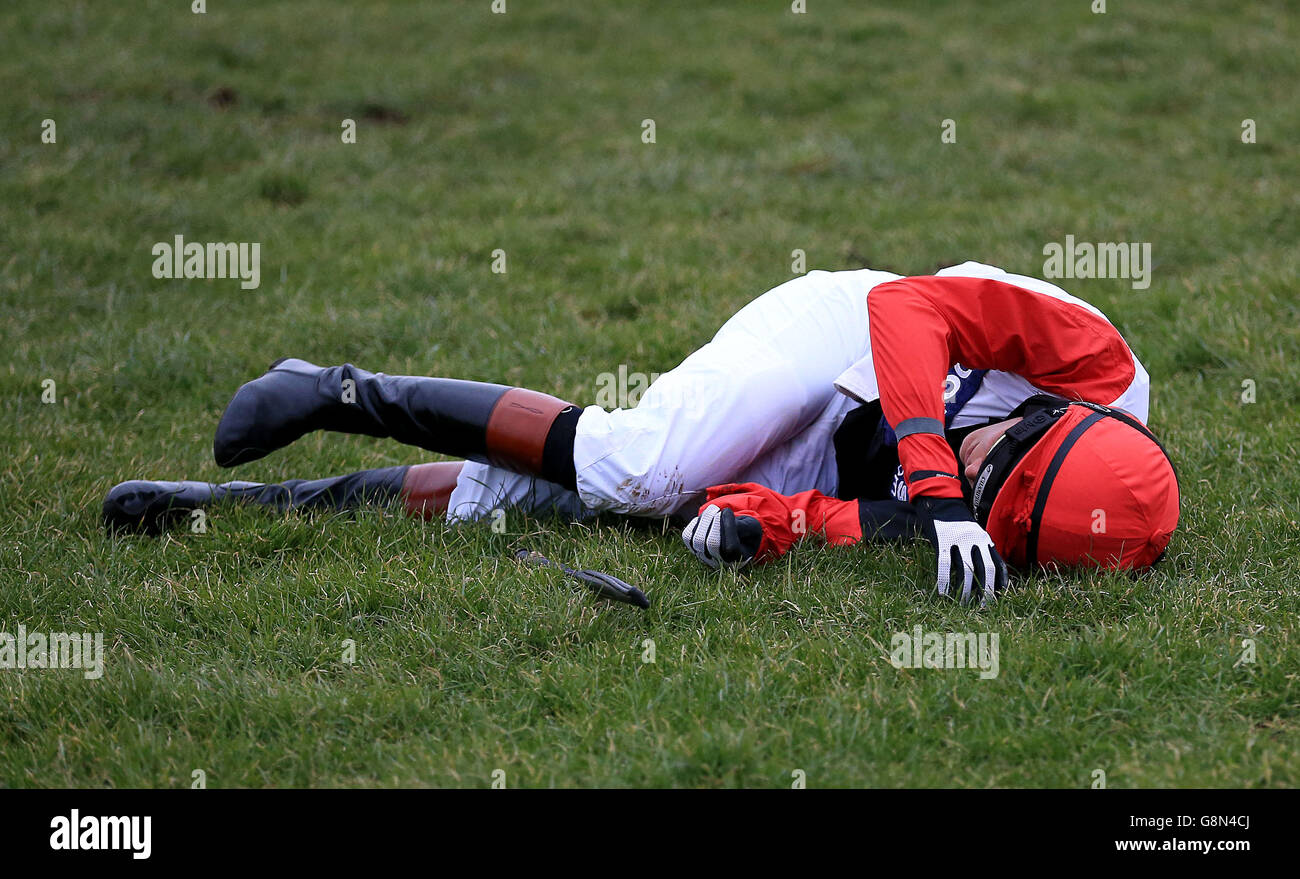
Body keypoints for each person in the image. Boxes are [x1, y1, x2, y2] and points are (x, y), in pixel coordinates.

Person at [103, 262, 1179, 601]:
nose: (971, 505)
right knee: (636, 466)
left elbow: (821, 516)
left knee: (606, 504)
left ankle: (249, 507)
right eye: (996, 473)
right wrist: (944, 489)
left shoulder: (1003, 527)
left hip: (855, 422)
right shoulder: (1096, 361)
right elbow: (907, 309)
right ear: (1052, 415)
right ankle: (347, 389)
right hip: (835, 335)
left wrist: (746, 527)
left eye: (996, 522)